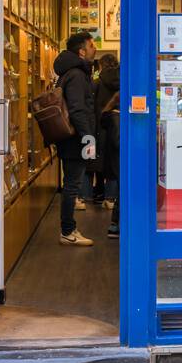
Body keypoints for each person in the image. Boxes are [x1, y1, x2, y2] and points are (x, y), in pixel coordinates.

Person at [54, 30, 98, 247]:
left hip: (70, 137)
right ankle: (68, 231)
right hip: (75, 139)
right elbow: (78, 109)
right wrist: (88, 137)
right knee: (72, 185)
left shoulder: (69, 73)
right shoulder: (77, 75)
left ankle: (68, 229)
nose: (94, 49)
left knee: (71, 184)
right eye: (91, 45)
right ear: (81, 51)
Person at [96, 55, 121, 238]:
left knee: (114, 171)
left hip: (108, 133)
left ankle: (115, 221)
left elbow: (100, 113)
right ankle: (111, 203)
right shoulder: (124, 80)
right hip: (125, 137)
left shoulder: (97, 83)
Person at [92, 54, 119, 211]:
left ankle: (99, 193)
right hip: (117, 127)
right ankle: (112, 197)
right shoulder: (123, 81)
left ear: (101, 66)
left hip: (100, 125)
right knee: (114, 162)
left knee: (98, 160)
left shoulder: (97, 83)